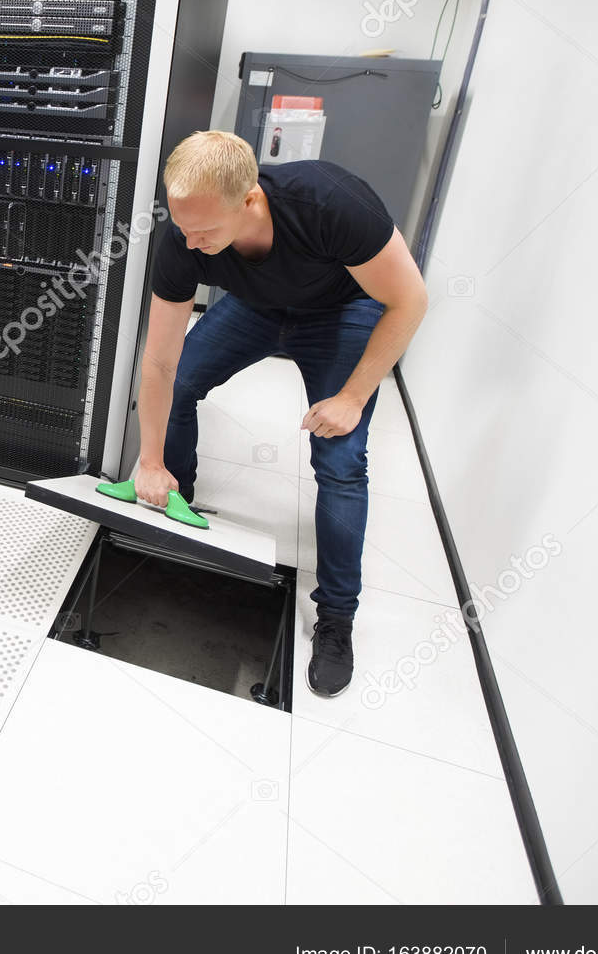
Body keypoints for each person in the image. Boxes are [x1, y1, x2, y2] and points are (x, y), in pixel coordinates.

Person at [133, 130, 428, 697]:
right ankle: (173, 497)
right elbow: (161, 364)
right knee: (185, 382)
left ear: (250, 199)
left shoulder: (330, 202)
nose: (190, 244)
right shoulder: (184, 237)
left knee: (341, 458)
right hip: (259, 308)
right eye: (183, 227)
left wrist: (352, 397)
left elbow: (409, 299)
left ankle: (337, 620)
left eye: (205, 232)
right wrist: (148, 459)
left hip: (344, 308)